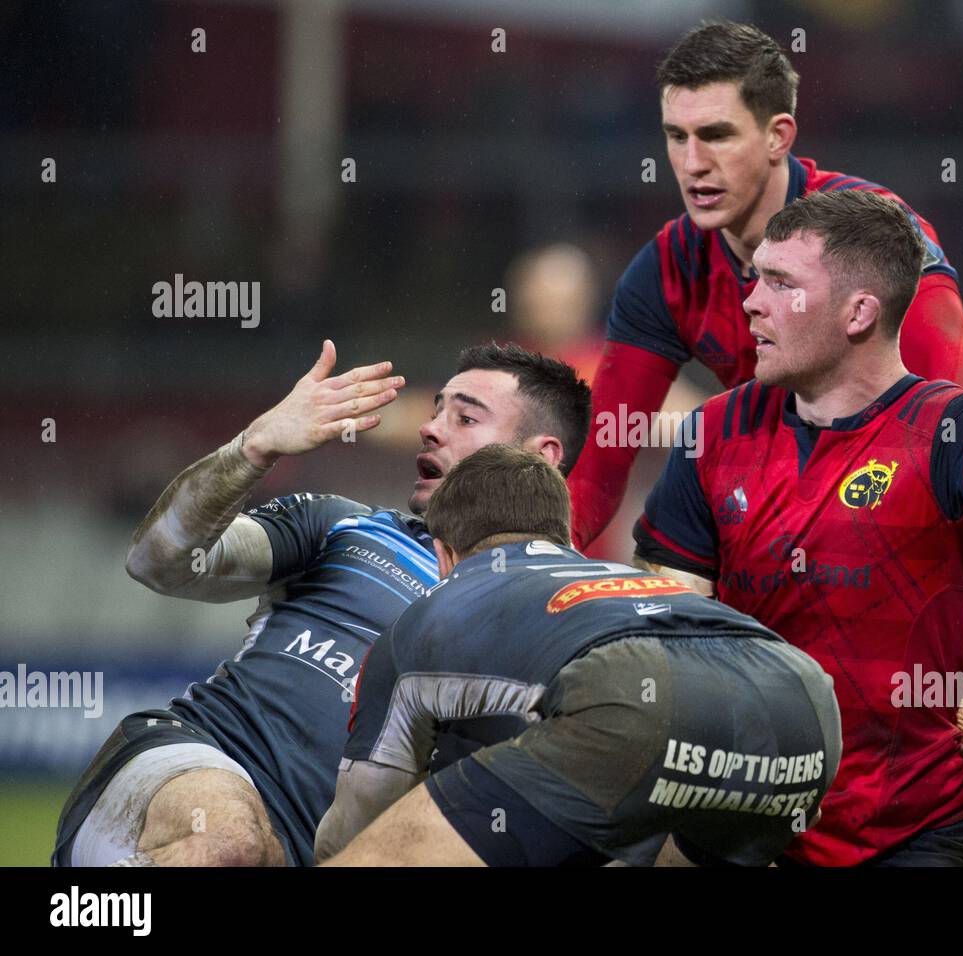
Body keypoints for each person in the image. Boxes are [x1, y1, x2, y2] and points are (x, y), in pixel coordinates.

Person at [567, 19, 963, 865]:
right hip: (811, 544)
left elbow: (958, 429)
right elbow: (595, 475)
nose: (690, 163)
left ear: (778, 136)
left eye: (716, 135)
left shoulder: (867, 241)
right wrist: (520, 590)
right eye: (675, 136)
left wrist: (954, 642)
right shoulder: (664, 271)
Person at [51, 342, 591, 866]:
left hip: (323, 852)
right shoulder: (342, 527)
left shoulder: (567, 619)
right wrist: (254, 447)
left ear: (540, 457)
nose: (429, 429)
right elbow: (156, 560)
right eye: (436, 411)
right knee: (232, 845)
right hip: (193, 767)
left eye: (466, 419)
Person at [316, 443, 843, 867]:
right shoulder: (615, 577)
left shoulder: (430, 609)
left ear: (443, 552)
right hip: (804, 700)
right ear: (564, 536)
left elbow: (362, 814)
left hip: (634, 694)